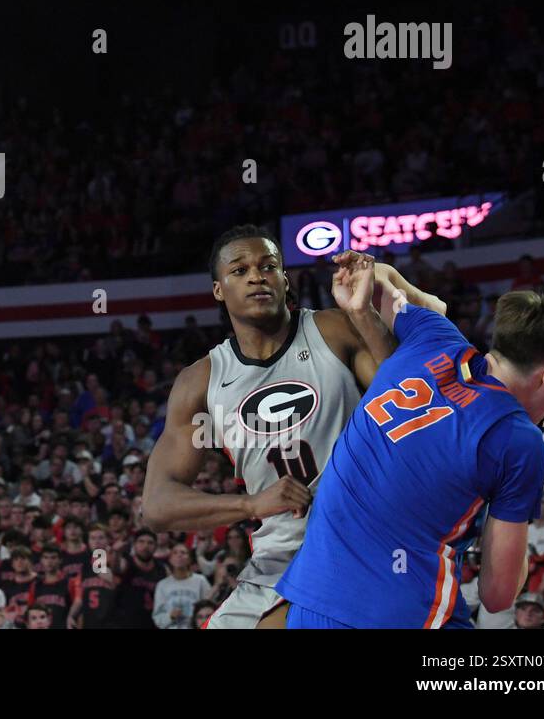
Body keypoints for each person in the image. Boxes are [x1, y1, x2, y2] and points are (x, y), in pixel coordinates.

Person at [142, 227, 445, 627]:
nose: (257, 276)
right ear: (219, 290)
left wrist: (363, 314)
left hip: (360, 543)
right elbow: (158, 505)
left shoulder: (334, 330)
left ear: (285, 280)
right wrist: (249, 505)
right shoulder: (201, 380)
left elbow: (412, 402)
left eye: (269, 266)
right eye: (240, 270)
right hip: (276, 562)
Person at [278, 256, 544, 628]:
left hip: (308, 603)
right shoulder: (520, 440)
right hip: (404, 614)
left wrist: (364, 276)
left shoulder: (433, 335)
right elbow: (498, 595)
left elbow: (379, 278)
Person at [152, 543, 213, 629]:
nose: (179, 555)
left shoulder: (200, 581)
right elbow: (157, 617)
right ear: (170, 559)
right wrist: (170, 617)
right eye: (175, 553)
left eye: (183, 552)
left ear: (189, 559)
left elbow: (210, 608)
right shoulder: (162, 585)